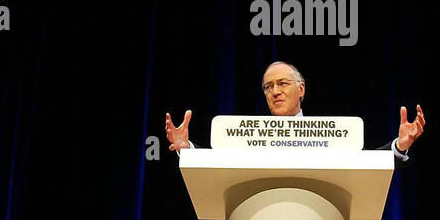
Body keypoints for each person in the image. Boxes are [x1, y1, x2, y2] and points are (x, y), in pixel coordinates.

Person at [165, 61, 425, 169]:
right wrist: (186, 148)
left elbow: (362, 164)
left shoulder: (329, 136)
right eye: (269, 87)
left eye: (282, 84)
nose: (275, 91)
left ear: (301, 89)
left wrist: (399, 146)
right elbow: (218, 163)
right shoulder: (246, 137)